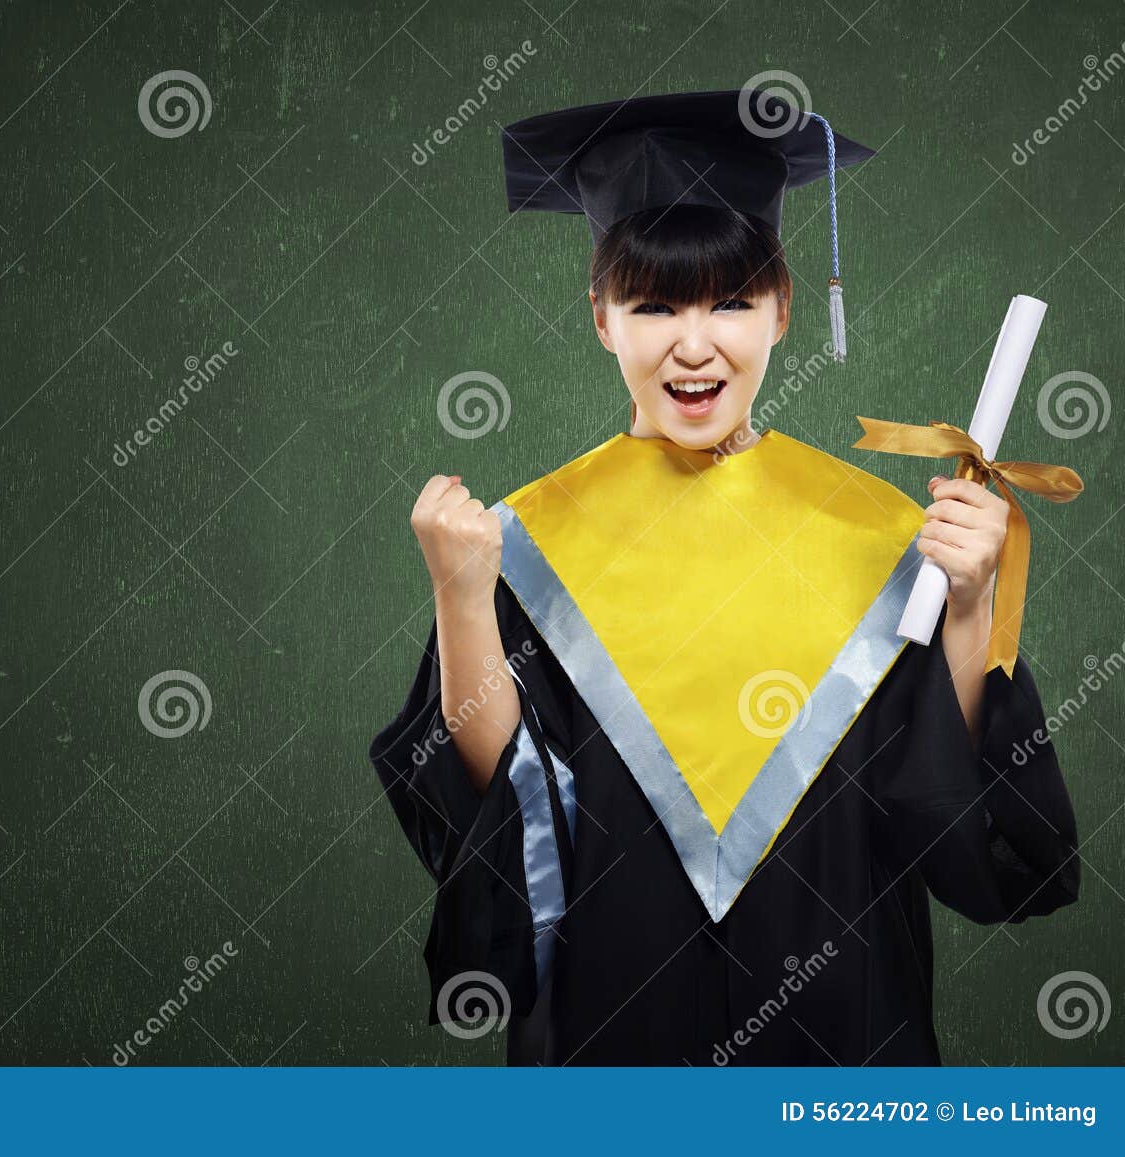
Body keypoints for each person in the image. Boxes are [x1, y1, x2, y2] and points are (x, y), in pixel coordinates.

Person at [368, 89, 1081, 1065]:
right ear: (601, 317)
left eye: (731, 300)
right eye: (653, 303)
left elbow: (949, 832)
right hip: (609, 1028)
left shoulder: (881, 537)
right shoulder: (523, 542)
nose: (693, 343)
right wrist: (459, 596)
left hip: (842, 1035)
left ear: (783, 308)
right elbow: (505, 815)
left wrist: (967, 604)